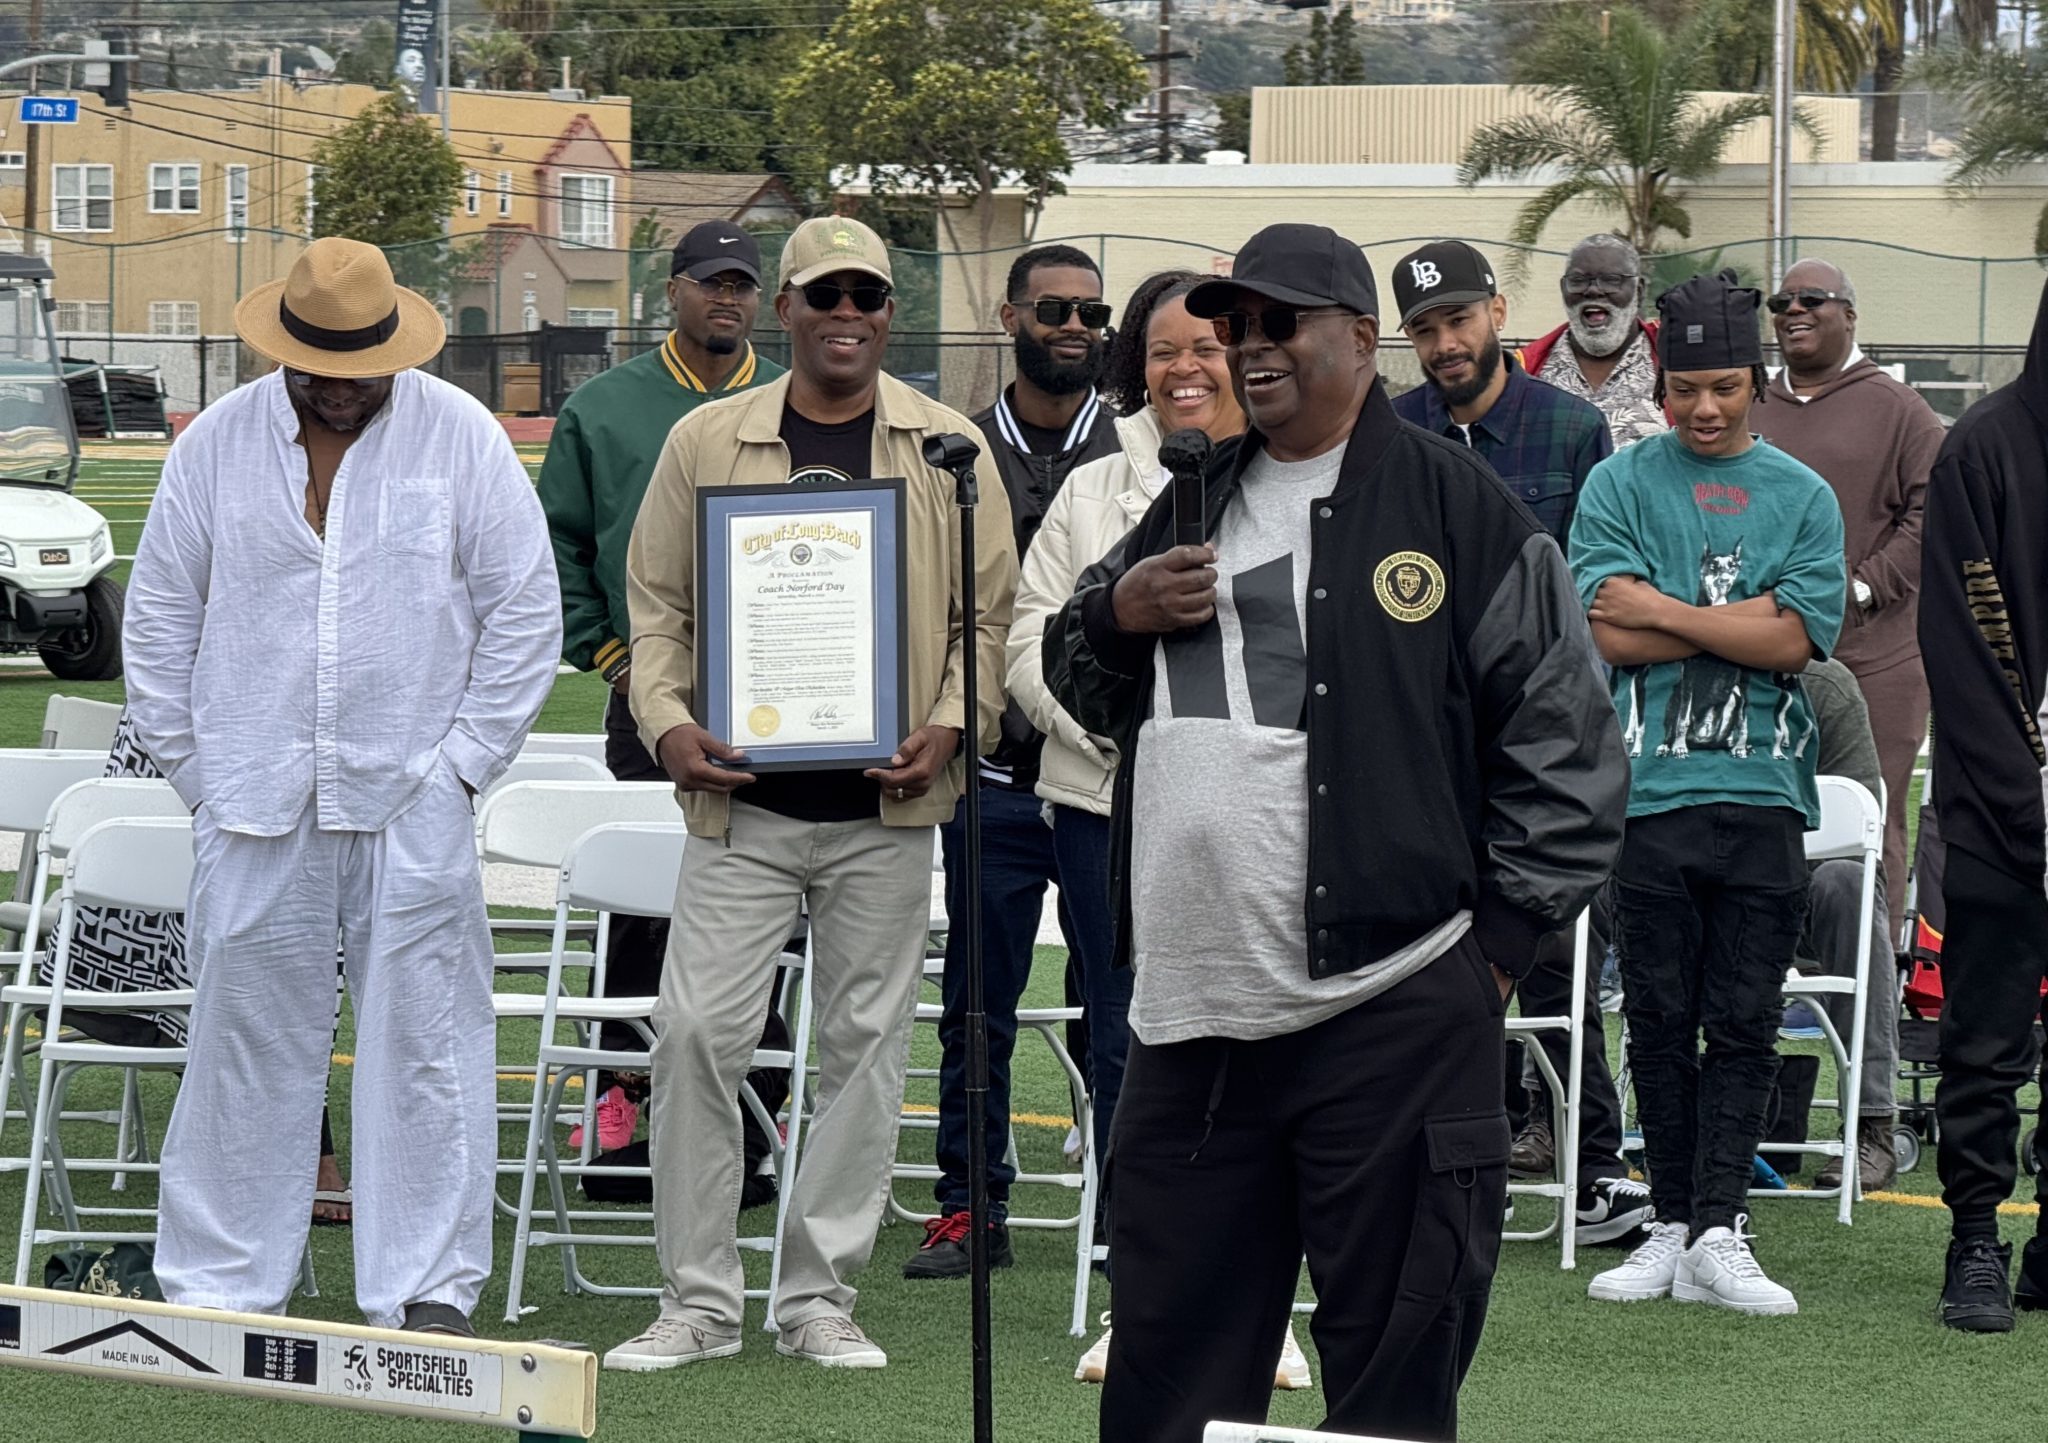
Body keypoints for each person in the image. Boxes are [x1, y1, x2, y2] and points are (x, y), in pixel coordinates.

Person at [1045, 222, 1626, 1443]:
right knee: (1164, 1383)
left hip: (1392, 1008)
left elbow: (1566, 749)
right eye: (1236, 327)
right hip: (1192, 1020)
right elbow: (1079, 688)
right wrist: (1111, 618)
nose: (1250, 351)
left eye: (1279, 325)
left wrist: (1493, 956)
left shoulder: (1455, 506)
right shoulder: (1191, 491)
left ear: (1361, 341)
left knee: (1388, 1389)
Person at [124, 238, 562, 1335]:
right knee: (240, 1046)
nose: (338, 383)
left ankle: (425, 1291)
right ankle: (221, 1292)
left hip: (412, 796)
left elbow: (522, 614)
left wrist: (460, 770)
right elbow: (161, 617)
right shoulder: (215, 446)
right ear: (283, 349)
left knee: (425, 1047)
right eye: (317, 362)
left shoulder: (459, 436)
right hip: (249, 793)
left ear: (393, 349)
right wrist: (196, 770)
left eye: (360, 364)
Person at [604, 216, 1017, 1372]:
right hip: (741, 806)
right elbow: (657, 609)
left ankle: (815, 1297)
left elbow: (981, 622)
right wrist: (671, 723)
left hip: (883, 810)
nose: (847, 317)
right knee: (693, 1034)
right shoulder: (704, 440)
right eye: (824, 297)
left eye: (867, 299)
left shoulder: (947, 449)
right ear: (785, 309)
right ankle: (695, 1300)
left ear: (890, 314)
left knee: (863, 1047)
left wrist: (949, 724)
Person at [1007, 269, 1306, 1390]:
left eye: (1209, 346)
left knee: (1267, 1058)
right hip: (1108, 812)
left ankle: (1264, 1311)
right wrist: (1124, 744)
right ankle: (1142, 1305)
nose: (1189, 368)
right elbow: (1035, 643)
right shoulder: (1096, 489)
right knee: (1131, 1054)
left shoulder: (1292, 480)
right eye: (1165, 349)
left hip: (1263, 824)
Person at [1570, 270, 1846, 1318]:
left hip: (1765, 790)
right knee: (1653, 1015)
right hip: (1647, 794)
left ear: (1754, 380)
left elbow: (1798, 639)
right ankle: (1669, 1223)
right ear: (1660, 382)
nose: (1703, 408)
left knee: (1740, 1017)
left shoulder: (1801, 496)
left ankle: (1722, 1226)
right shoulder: (1619, 483)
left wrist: (1665, 609)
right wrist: (1743, 623)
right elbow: (1601, 626)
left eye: (1724, 385)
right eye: (1684, 386)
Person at [1390, 239, 1649, 1244]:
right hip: (1417, 743)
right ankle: (1444, 1158)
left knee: (1549, 955)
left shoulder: (1570, 429)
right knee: (1419, 962)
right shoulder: (1388, 428)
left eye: (1457, 320)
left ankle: (1591, 1164)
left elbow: (1584, 597)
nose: (1444, 344)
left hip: (1529, 745)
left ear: (1496, 312)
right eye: (1422, 329)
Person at [538, 220, 785, 1151]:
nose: (728, 300)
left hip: (779, 697)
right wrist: (610, 657)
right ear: (671, 290)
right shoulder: (605, 408)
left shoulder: (794, 395)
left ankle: (763, 1097)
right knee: (644, 901)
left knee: (770, 901)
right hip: (651, 698)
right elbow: (556, 547)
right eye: (710, 283)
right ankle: (619, 1094)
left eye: (743, 285)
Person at [906, 244, 1119, 1279]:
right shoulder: (950, 445)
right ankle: (968, 1200)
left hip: (1099, 778)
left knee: (1117, 996)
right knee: (974, 999)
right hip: (989, 772)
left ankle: (1125, 1210)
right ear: (1008, 317)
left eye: (1090, 311)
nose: (1073, 326)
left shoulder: (1134, 452)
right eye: (1053, 309)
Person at [1921, 277, 2048, 1333]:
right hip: (2002, 806)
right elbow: (1961, 645)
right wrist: (2024, 803)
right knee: (1983, 1039)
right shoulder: (1984, 449)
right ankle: (1972, 1237)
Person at [1758, 258, 1941, 972]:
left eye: (1812, 299)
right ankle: (1783, 980)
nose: (1793, 311)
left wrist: (1863, 588)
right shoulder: (1753, 405)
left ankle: (1868, 985)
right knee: (1769, 817)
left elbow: (1933, 512)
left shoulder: (1900, 409)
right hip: (1763, 653)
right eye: (1781, 302)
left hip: (1876, 657)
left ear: (1851, 314)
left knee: (1871, 818)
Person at [1793, 658, 1900, 1194]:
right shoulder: (1661, 673)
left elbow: (1854, 825)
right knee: (1587, 879)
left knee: (1847, 882)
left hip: (1799, 895)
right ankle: (1558, 1117)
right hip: (1696, 888)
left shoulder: (1824, 686)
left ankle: (1872, 1120)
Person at [1518, 233, 1668, 449]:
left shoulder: (1670, 357)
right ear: (1563, 290)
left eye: (1611, 280)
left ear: (1639, 291)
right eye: (1578, 281)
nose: (1593, 290)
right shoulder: (1528, 370)